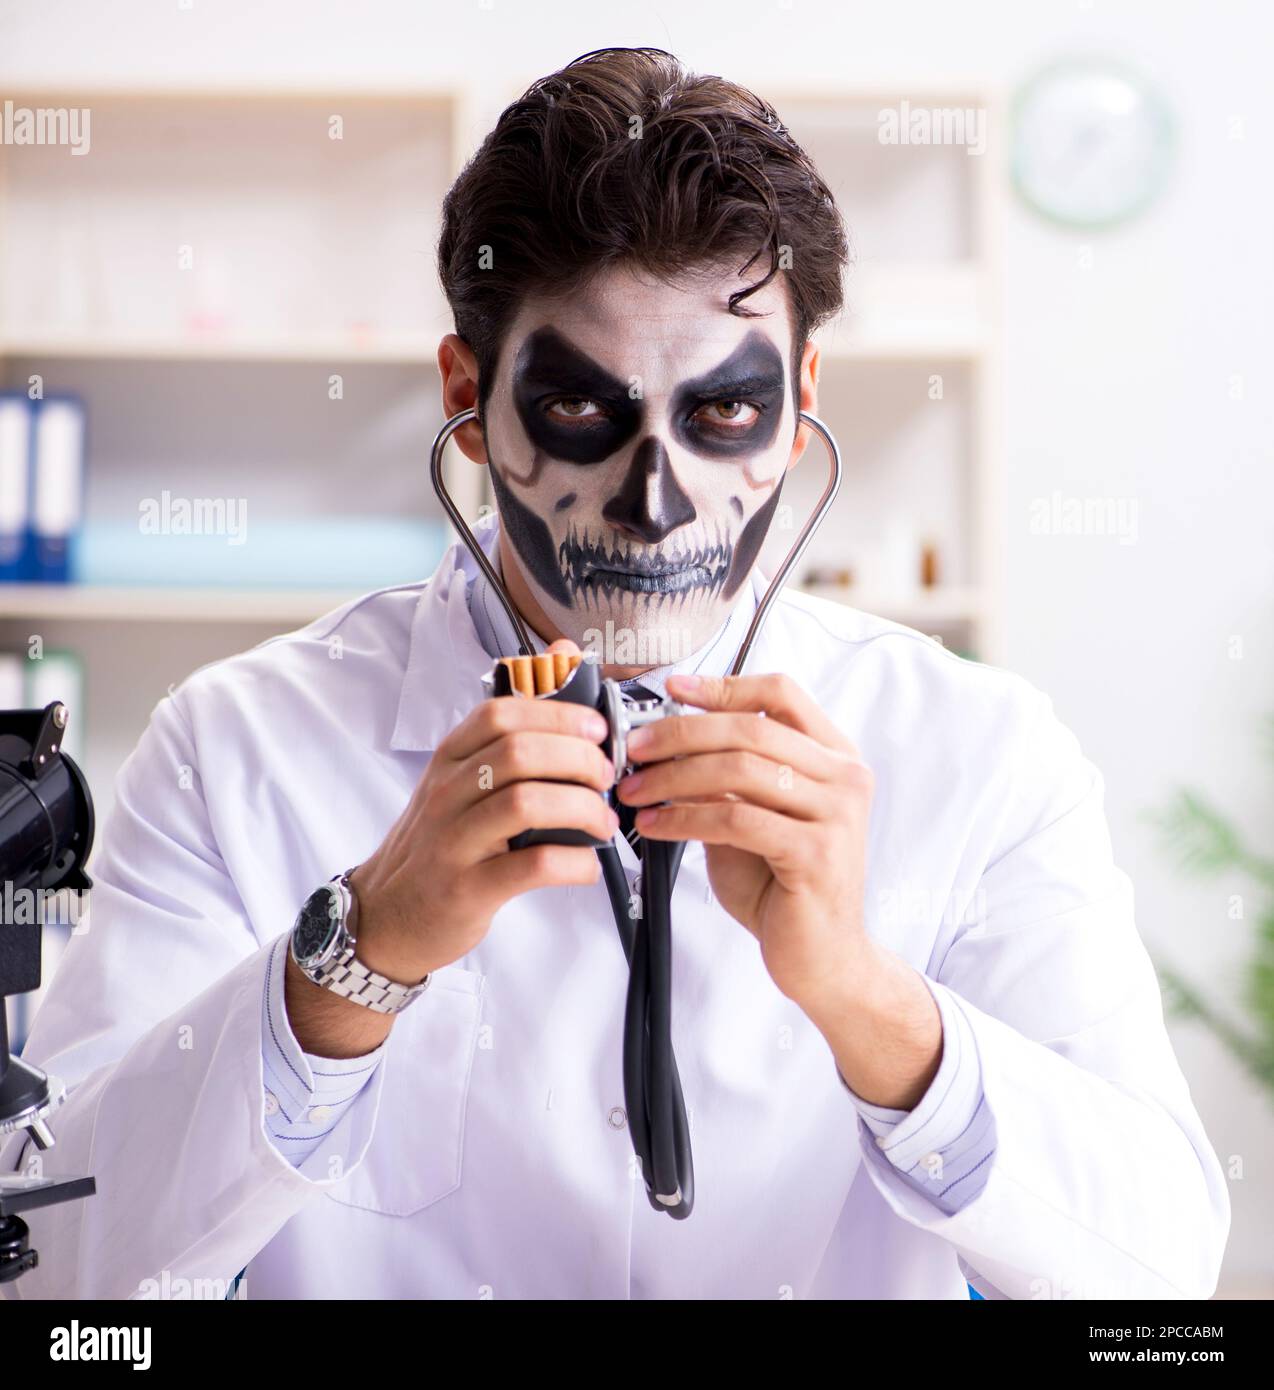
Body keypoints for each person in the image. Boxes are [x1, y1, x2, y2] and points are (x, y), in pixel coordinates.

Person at [2, 47, 1228, 1300]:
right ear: (469, 399)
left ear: (801, 401)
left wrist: (865, 999)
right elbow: (44, 1273)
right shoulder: (236, 747)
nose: (655, 505)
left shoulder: (978, 750)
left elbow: (1158, 1282)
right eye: (585, 413)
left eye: (722, 415)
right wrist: (351, 958)